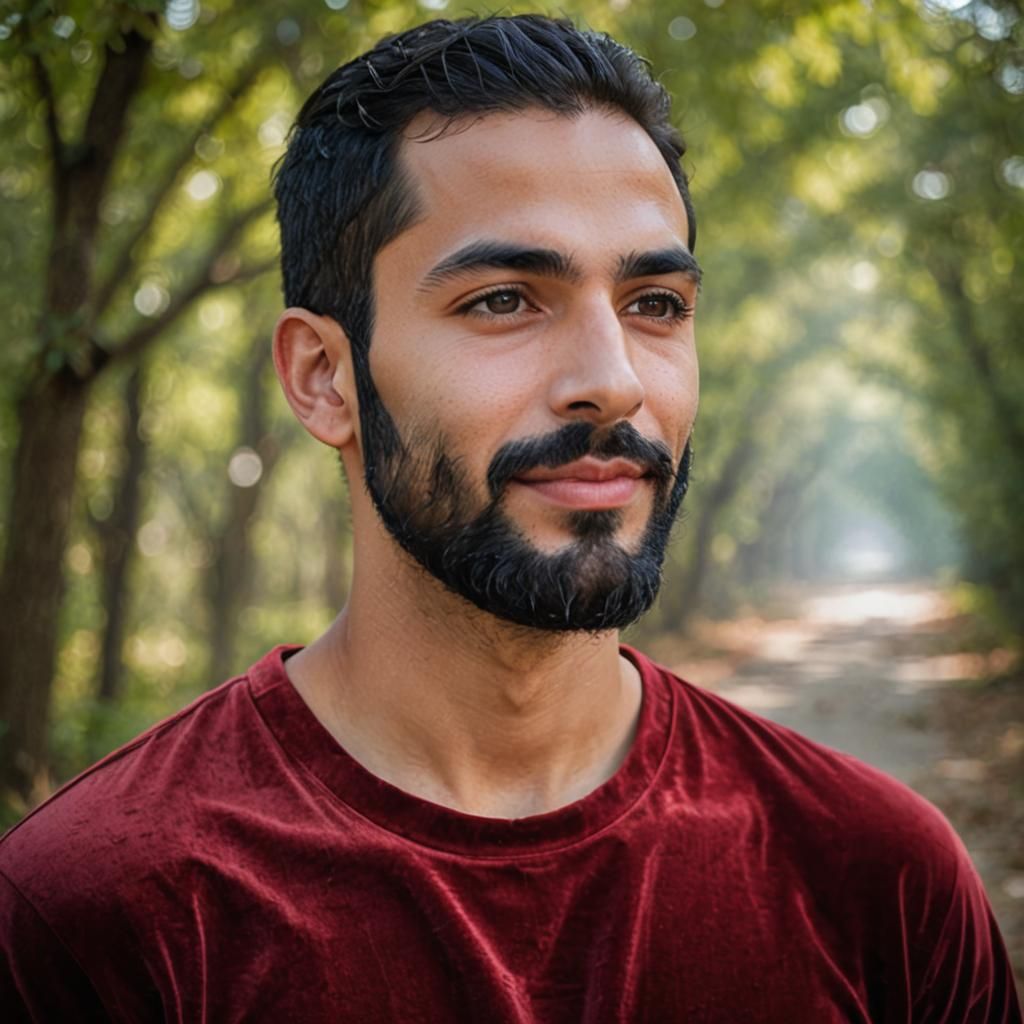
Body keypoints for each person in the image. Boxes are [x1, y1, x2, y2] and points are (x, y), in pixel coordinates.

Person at [0, 13, 1019, 1022]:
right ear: (323, 377)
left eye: (655, 303)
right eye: (503, 300)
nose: (611, 382)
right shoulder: (92, 914)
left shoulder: (880, 879)